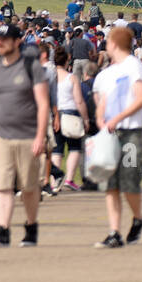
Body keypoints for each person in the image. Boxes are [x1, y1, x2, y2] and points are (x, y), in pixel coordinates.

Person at [0, 24, 49, 248]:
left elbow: (43, 103)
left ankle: (30, 224)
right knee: (2, 185)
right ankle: (3, 230)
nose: (0, 42)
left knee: (28, 187)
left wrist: (40, 136)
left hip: (27, 135)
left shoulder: (31, 67)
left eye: (5, 39)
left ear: (18, 41)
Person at [92, 27, 142, 248]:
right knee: (110, 183)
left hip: (130, 132)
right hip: (109, 135)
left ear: (113, 43)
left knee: (129, 181)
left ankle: (138, 218)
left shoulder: (134, 66)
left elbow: (141, 98)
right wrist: (100, 118)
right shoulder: (105, 74)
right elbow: (101, 103)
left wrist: (118, 118)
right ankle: (114, 231)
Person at [51, 44, 89, 193]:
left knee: (57, 149)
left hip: (56, 114)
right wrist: (85, 118)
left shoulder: (51, 77)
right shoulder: (71, 78)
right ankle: (69, 179)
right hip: (71, 113)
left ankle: (55, 182)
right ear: (67, 61)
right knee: (74, 148)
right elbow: (79, 100)